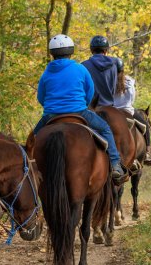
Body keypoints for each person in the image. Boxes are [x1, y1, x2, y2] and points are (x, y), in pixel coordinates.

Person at [32, 34, 125, 180]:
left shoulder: (46, 73)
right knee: (105, 129)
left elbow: (41, 97)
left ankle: (28, 170)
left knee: (32, 141)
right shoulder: (80, 69)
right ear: (71, 51)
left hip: (51, 115)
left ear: (52, 53)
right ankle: (115, 164)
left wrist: (53, 108)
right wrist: (83, 105)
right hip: (79, 112)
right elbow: (90, 92)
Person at [82, 35, 118, 108]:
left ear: (91, 50)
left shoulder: (83, 65)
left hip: (90, 106)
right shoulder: (113, 66)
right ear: (106, 50)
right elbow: (113, 89)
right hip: (108, 105)